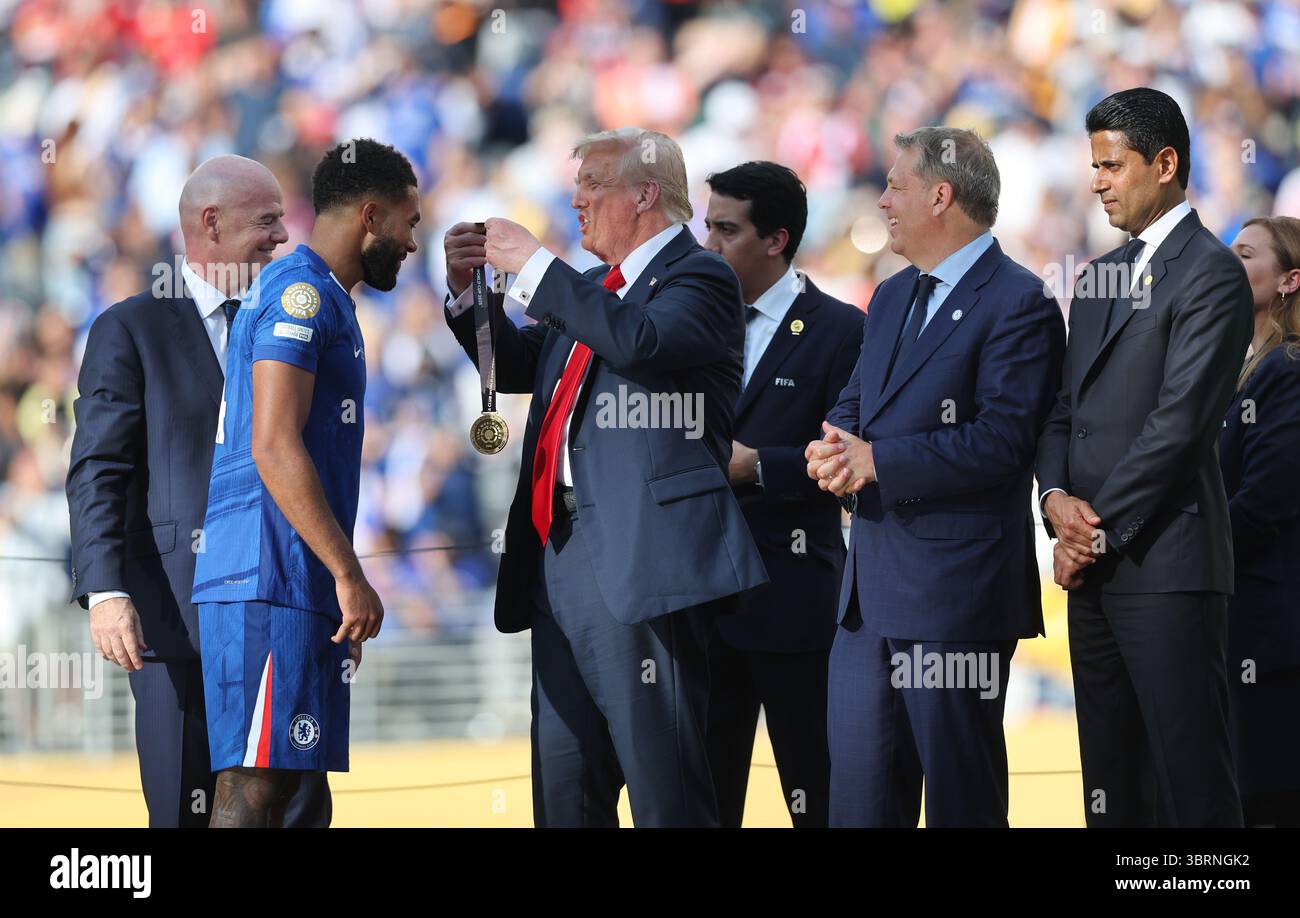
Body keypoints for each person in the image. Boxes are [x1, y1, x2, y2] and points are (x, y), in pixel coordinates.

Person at [442, 127, 767, 827]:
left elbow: (637, 341)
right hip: (555, 555)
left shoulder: (700, 276)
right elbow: (520, 367)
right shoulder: (592, 289)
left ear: (645, 193)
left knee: (666, 790)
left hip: (644, 560)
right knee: (565, 792)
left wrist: (533, 265)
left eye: (592, 184)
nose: (576, 199)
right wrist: (471, 298)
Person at [806, 127, 1065, 827]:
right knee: (857, 808)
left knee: (962, 806)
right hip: (866, 603)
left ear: (941, 196)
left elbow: (1005, 441)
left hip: (956, 602)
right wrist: (832, 447)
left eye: (896, 186)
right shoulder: (890, 297)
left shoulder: (1019, 301)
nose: (883, 199)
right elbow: (857, 405)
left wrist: (877, 461)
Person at [67, 154, 331, 827]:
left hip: (284, 622)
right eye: (267, 220)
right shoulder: (131, 328)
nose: (282, 236)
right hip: (175, 622)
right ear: (211, 223)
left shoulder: (291, 321)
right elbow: (99, 468)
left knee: (296, 817)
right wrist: (105, 592)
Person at [1035, 87, 1252, 827]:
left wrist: (1087, 532)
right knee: (1110, 779)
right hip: (1092, 571)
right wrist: (1053, 501)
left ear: (1164, 163)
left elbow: (1179, 428)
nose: (1097, 180)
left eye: (1111, 164)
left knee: (1188, 780)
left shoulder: (1214, 274)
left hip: (1167, 567)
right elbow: (1064, 413)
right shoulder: (1096, 274)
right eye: (1094, 165)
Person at [190, 138, 418, 826]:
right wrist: (347, 574)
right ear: (371, 216)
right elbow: (273, 443)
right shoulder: (298, 293)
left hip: (294, 579)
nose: (412, 244)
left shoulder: (327, 298)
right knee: (253, 790)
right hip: (268, 578)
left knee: (289, 790)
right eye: (409, 223)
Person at [701, 161, 862, 828]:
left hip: (796, 602)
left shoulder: (842, 330)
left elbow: (851, 460)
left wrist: (758, 467)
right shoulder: (690, 318)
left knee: (817, 795)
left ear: (776, 240)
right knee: (702, 803)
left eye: (726, 230)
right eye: (706, 226)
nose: (708, 244)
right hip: (701, 604)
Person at [1222, 216, 1300, 827]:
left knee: (1265, 801)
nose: (1228, 262)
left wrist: (1172, 548)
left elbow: (1262, 505)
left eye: (1245, 254)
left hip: (1271, 636)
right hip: (1244, 626)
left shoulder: (1288, 372)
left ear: (1290, 279)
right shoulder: (1243, 366)